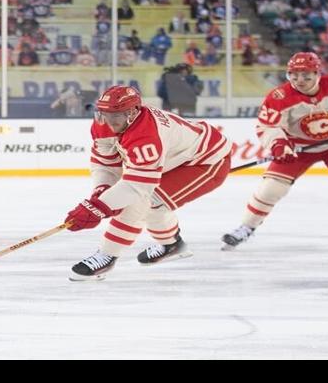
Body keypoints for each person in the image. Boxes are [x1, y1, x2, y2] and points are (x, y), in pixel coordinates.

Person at [222, 52, 328, 251]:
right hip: (297, 147)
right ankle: (246, 227)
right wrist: (279, 144)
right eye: (294, 75)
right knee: (271, 188)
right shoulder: (279, 97)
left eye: (306, 75)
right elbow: (268, 126)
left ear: (317, 73)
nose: (299, 80)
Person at [62, 85, 232, 281]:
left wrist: (99, 207)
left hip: (206, 161)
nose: (109, 121)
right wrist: (102, 190)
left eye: (116, 115)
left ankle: (107, 256)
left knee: (143, 204)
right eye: (104, 114)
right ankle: (172, 245)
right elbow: (105, 163)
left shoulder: (146, 135)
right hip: (175, 158)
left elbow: (138, 186)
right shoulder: (104, 123)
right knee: (152, 206)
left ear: (133, 112)